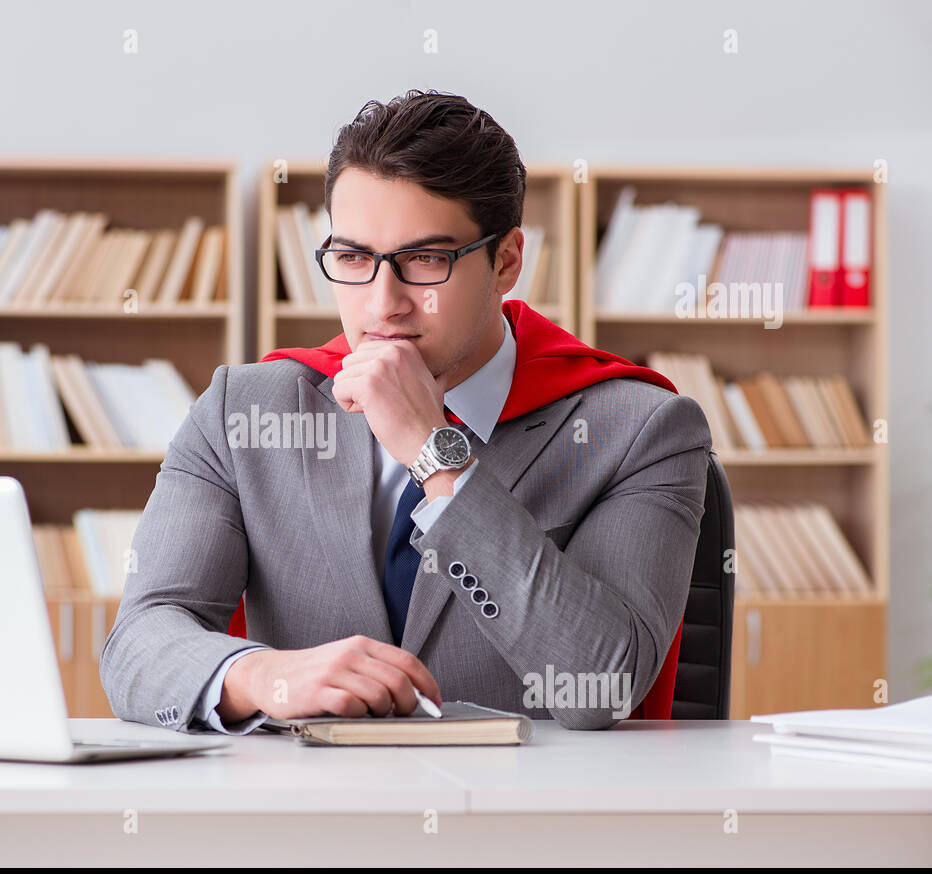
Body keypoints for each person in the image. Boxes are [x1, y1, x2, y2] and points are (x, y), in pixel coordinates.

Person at [100, 89, 713, 733]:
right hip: (306, 818)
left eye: (425, 260)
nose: (383, 303)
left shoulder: (640, 430)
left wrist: (436, 452)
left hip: (523, 821)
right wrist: (262, 675)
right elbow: (139, 646)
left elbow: (602, 686)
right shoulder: (243, 413)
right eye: (354, 259)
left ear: (505, 262)